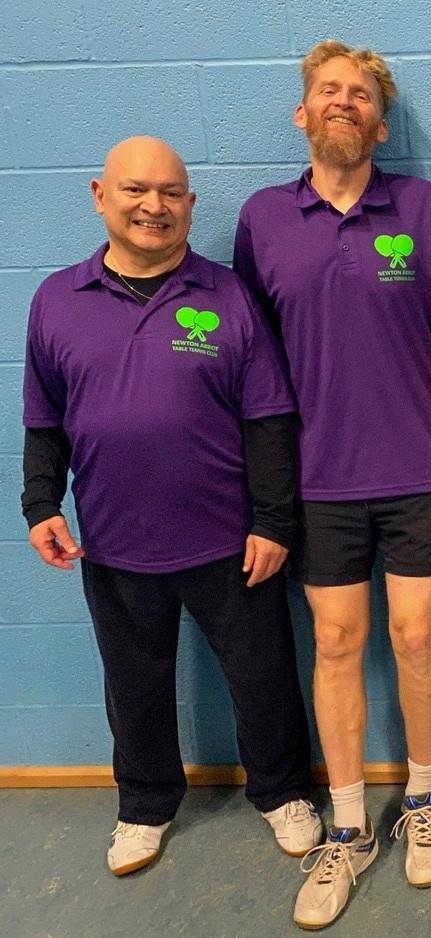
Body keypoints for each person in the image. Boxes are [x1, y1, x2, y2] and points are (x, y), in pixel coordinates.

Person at [21, 136, 318, 878]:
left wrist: (274, 522)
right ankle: (145, 805)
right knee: (134, 687)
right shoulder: (56, 300)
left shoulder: (230, 296)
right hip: (116, 544)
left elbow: (269, 421)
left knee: (264, 680)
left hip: (230, 542)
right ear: (100, 195)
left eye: (171, 193)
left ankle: (281, 792)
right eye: (135, 190)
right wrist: (39, 504)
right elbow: (43, 419)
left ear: (189, 205)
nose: (154, 206)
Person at [233, 40, 431, 928]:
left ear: (380, 123)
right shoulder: (262, 218)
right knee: (334, 645)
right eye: (328, 92)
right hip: (318, 479)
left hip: (417, 471)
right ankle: (353, 828)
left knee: (413, 637)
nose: (343, 104)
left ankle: (427, 801)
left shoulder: (425, 208)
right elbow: (251, 367)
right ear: (304, 114)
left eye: (360, 96)